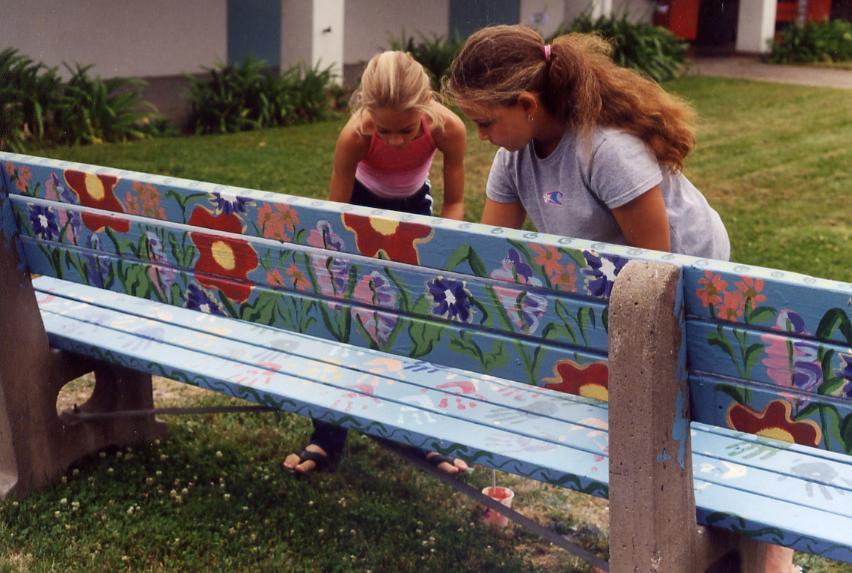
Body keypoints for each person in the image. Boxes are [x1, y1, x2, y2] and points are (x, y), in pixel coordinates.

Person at [445, 24, 794, 573]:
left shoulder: (606, 151)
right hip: (620, 285)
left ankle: (769, 556)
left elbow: (656, 268)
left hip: (692, 282)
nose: (481, 134)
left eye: (486, 121)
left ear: (528, 103)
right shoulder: (513, 158)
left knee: (709, 414)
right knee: (668, 414)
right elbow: (497, 255)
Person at [284, 50, 469, 476]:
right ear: (366, 112)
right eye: (384, 129)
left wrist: (438, 247)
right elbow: (336, 212)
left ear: (425, 108)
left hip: (414, 209)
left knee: (417, 320)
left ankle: (425, 434)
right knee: (347, 319)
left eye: (406, 129)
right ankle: (327, 437)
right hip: (360, 208)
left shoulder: (447, 128)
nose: (398, 140)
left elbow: (455, 201)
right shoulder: (355, 136)